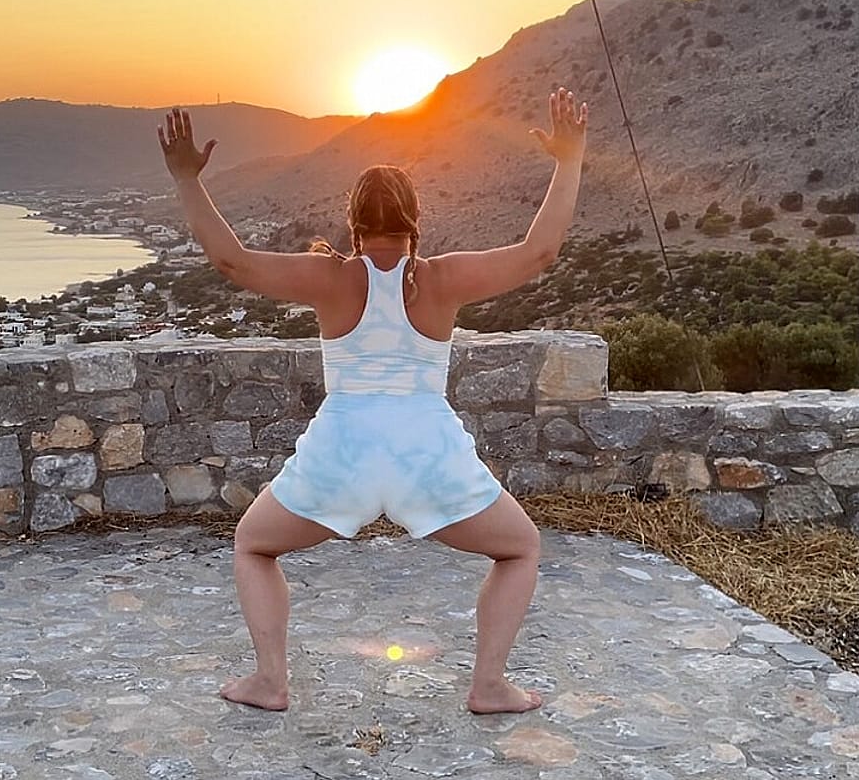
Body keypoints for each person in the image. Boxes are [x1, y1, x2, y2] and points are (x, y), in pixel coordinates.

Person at [157, 87, 588, 714]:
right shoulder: (441, 279)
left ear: (352, 223)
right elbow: (539, 252)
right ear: (416, 220)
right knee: (519, 549)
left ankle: (270, 682)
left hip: (343, 453)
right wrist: (569, 159)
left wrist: (186, 178)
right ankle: (490, 684)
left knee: (254, 546)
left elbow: (232, 261)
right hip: (428, 453)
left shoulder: (330, 277)